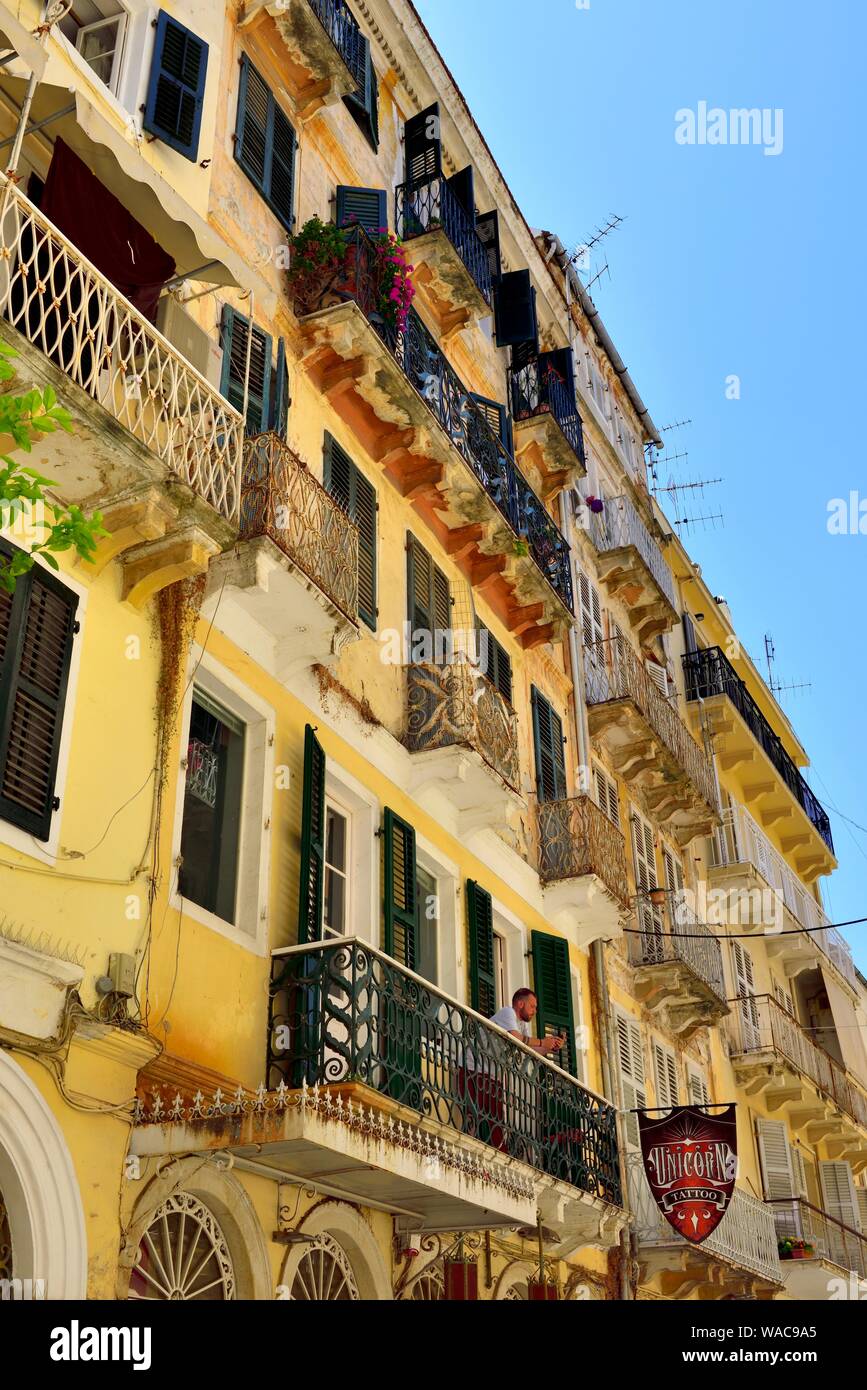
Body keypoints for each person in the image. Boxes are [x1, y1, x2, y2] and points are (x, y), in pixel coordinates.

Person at [489, 989, 566, 1056]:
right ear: (521, 1004)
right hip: (480, 1066)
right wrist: (542, 1042)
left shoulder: (522, 1024)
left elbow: (531, 1050)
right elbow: (516, 1037)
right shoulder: (508, 1011)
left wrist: (552, 1046)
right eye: (532, 1006)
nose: (535, 1011)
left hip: (491, 1069)